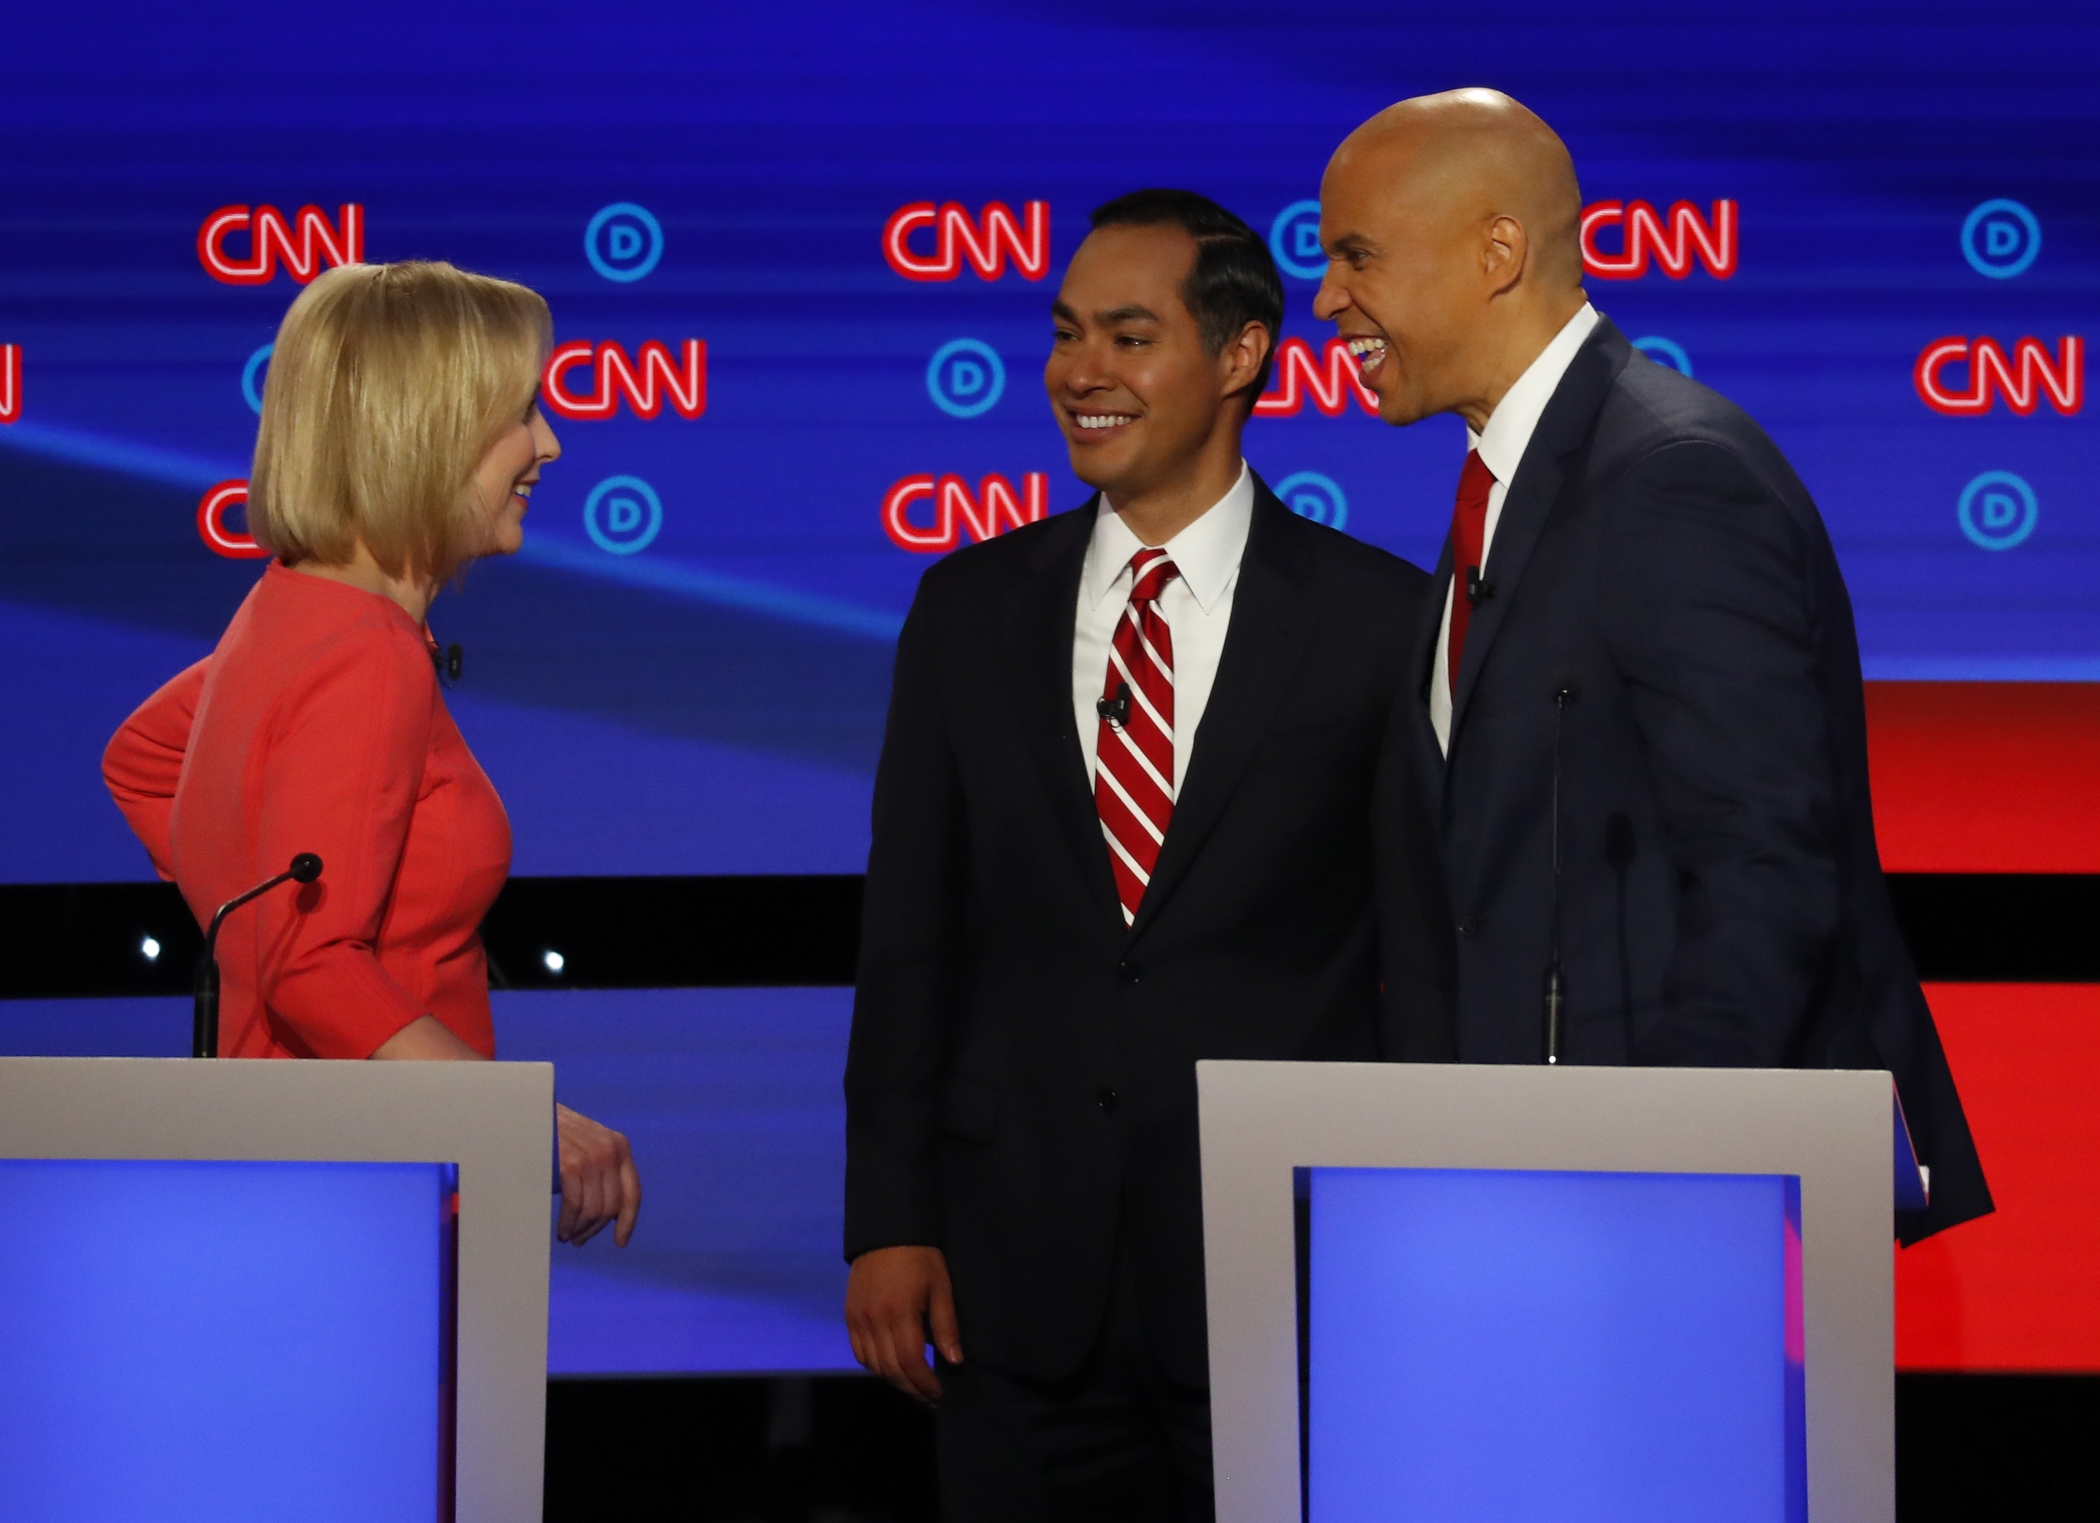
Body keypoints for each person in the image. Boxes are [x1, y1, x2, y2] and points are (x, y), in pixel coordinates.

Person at [843, 189, 1435, 1521]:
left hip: (1279, 1274)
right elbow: (910, 938)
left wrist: (1413, 1231)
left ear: (1239, 356)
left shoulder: (1379, 621)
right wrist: (886, 1213)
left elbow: (1423, 952)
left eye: (1126, 334)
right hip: (1012, 1274)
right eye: (1065, 335)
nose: (1079, 374)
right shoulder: (968, 608)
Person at [1315, 88, 1989, 1239]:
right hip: (1506, 1187)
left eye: (1356, 255)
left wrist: (1659, 1181)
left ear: (1497, 252)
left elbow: (1767, 865)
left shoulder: (1670, 474)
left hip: (1656, 1210)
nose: (1327, 300)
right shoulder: (1511, 485)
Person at [103, 260, 641, 1249]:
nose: (550, 445)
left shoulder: (293, 608)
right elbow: (309, 958)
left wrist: (247, 928)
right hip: (360, 1191)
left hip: (310, 1162)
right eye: (523, 411)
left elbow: (143, 759)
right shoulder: (367, 654)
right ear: (426, 428)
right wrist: (516, 1118)